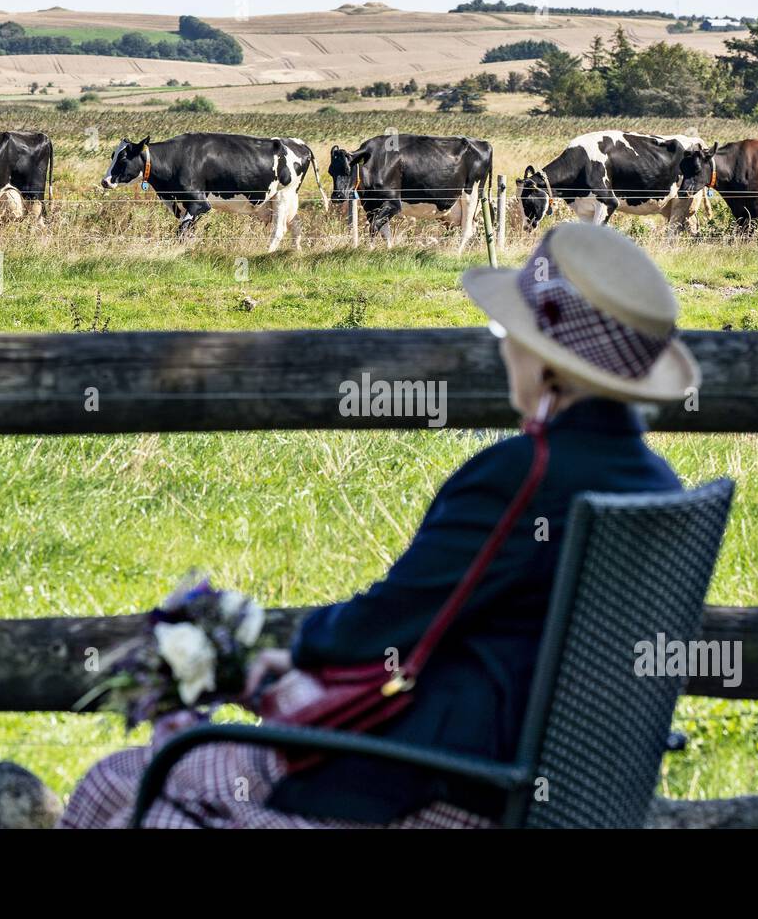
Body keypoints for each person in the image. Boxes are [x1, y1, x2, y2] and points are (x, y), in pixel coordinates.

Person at [60, 221, 701, 829]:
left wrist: (285, 656)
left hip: (432, 785)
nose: (506, 350)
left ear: (548, 363)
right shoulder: (658, 486)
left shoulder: (523, 475)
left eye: (512, 336)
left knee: (120, 786)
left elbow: (387, 624)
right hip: (544, 792)